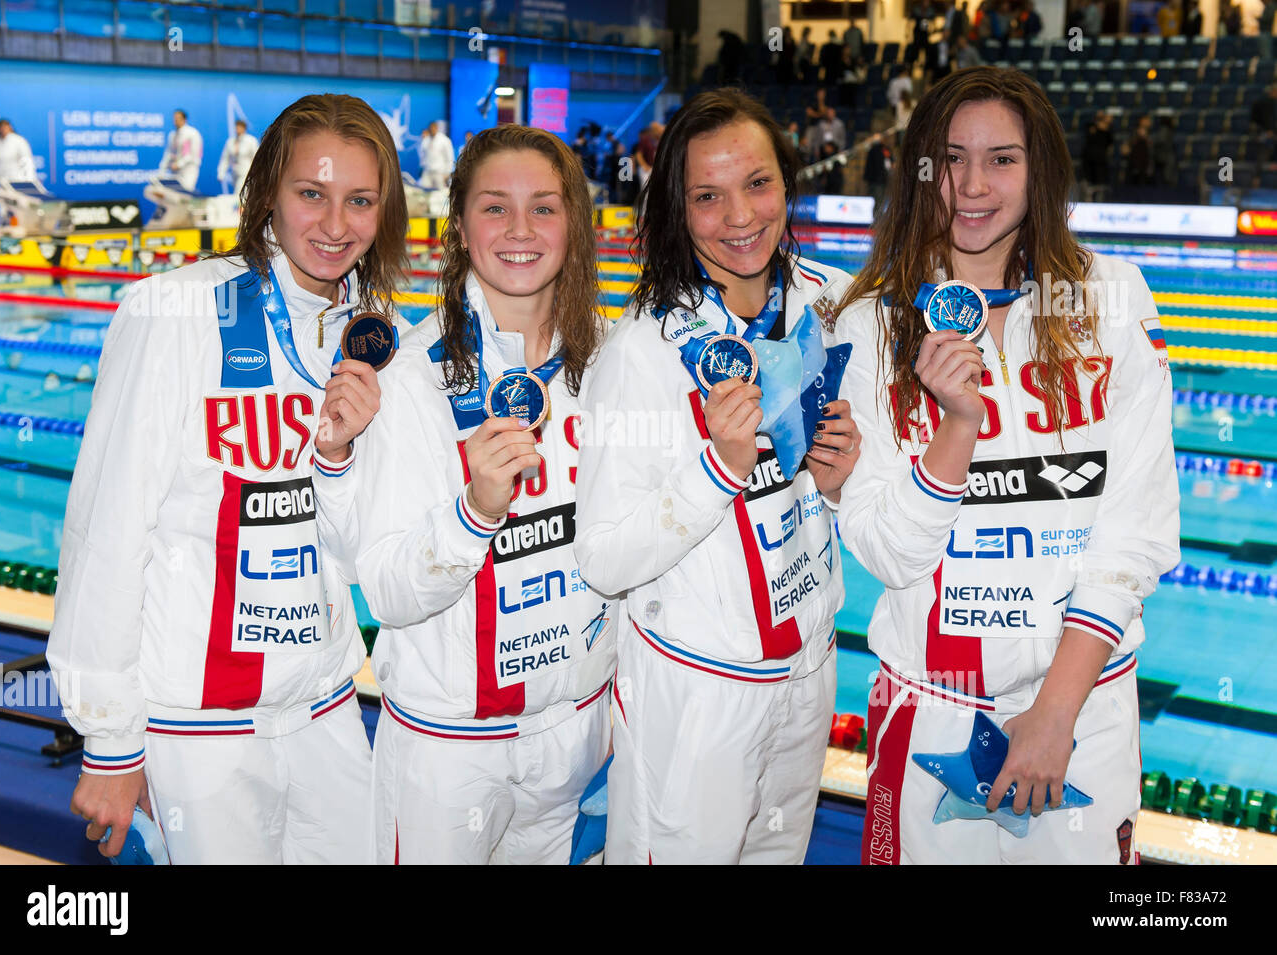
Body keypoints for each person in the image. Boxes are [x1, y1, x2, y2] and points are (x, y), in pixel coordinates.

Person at [48, 92, 409, 863]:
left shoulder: (379, 341)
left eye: (360, 201)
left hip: (327, 705)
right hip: (196, 725)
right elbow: (106, 530)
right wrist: (110, 738)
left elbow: (367, 547)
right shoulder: (171, 314)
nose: (335, 225)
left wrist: (345, 457)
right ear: (267, 194)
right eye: (311, 194)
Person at [835, 66, 1179, 865]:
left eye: (1002, 159)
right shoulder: (870, 325)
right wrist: (954, 432)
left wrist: (1056, 712)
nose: (972, 186)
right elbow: (888, 551)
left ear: (1041, 169)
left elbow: (1137, 526)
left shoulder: (1109, 300)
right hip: (930, 713)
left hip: (1082, 713)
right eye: (951, 158)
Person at [312, 125, 618, 864]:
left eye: (544, 208)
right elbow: (385, 588)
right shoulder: (413, 378)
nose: (520, 231)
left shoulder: (608, 362)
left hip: (579, 735)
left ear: (575, 223)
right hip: (451, 755)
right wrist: (474, 511)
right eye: (494, 208)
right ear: (459, 228)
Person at [575, 88, 860, 864]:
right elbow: (601, 557)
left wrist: (843, 474)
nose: (740, 216)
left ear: (789, 184)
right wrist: (716, 469)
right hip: (700, 693)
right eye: (707, 196)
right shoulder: (641, 353)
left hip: (810, 672)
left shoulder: (825, 304)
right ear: (675, 209)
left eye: (758, 184)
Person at [0, 117, 36, 193]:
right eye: (1, 127)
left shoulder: (19, 141)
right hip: (2, 182)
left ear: (10, 127)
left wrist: (30, 181)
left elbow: (27, 162)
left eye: (5, 127)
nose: (3, 129)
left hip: (18, 181)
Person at [160, 108, 203, 192]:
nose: (175, 120)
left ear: (184, 119)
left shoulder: (192, 133)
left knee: (185, 194)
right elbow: (168, 153)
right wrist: (162, 170)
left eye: (178, 118)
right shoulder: (172, 135)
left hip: (189, 170)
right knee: (173, 195)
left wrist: (179, 164)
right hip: (176, 172)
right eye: (174, 118)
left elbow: (194, 154)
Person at [216, 118, 259, 198]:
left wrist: (256, 173)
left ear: (244, 128)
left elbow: (256, 158)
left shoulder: (251, 141)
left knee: (240, 193)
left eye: (240, 127)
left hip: (246, 171)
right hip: (235, 172)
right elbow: (225, 158)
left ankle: (240, 210)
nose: (237, 129)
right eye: (236, 127)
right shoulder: (231, 141)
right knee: (237, 193)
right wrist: (221, 172)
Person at [1081, 110, 1115, 198]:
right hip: (1089, 159)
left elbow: (1110, 144)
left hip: (1101, 161)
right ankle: (1088, 198)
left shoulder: (1108, 131)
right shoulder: (1090, 126)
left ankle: (1100, 199)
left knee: (1100, 184)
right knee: (1089, 183)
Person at [1121, 114, 1154, 188]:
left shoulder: (1152, 134)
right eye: (1146, 120)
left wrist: (1145, 137)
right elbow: (1124, 150)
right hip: (1134, 166)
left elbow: (1153, 147)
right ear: (1141, 121)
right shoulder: (1133, 134)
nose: (1148, 122)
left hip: (1146, 167)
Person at [420, 120, 455, 189]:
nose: (432, 129)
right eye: (430, 128)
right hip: (428, 171)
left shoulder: (444, 140)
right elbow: (423, 156)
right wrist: (422, 167)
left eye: (434, 128)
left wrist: (448, 173)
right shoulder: (426, 141)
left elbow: (450, 157)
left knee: (440, 193)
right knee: (423, 191)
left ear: (437, 128)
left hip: (439, 172)